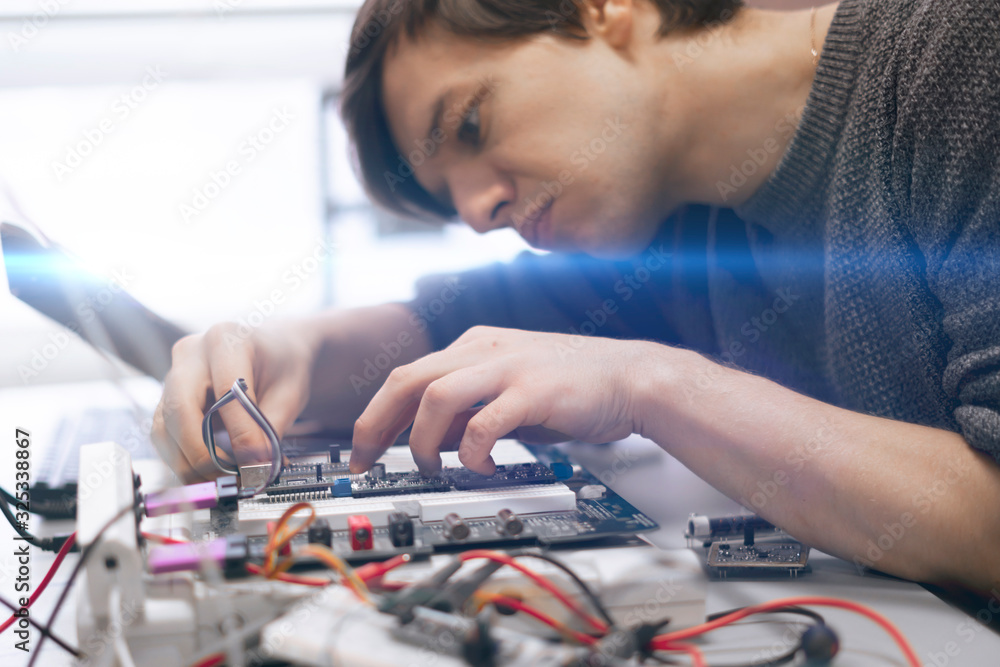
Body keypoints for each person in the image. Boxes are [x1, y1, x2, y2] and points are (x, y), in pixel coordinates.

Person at [152, 0, 1000, 592]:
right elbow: (452, 331)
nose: (477, 214)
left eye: (471, 124)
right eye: (451, 199)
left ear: (602, 8)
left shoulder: (963, 53)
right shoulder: (678, 221)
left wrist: (648, 383)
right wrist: (289, 350)